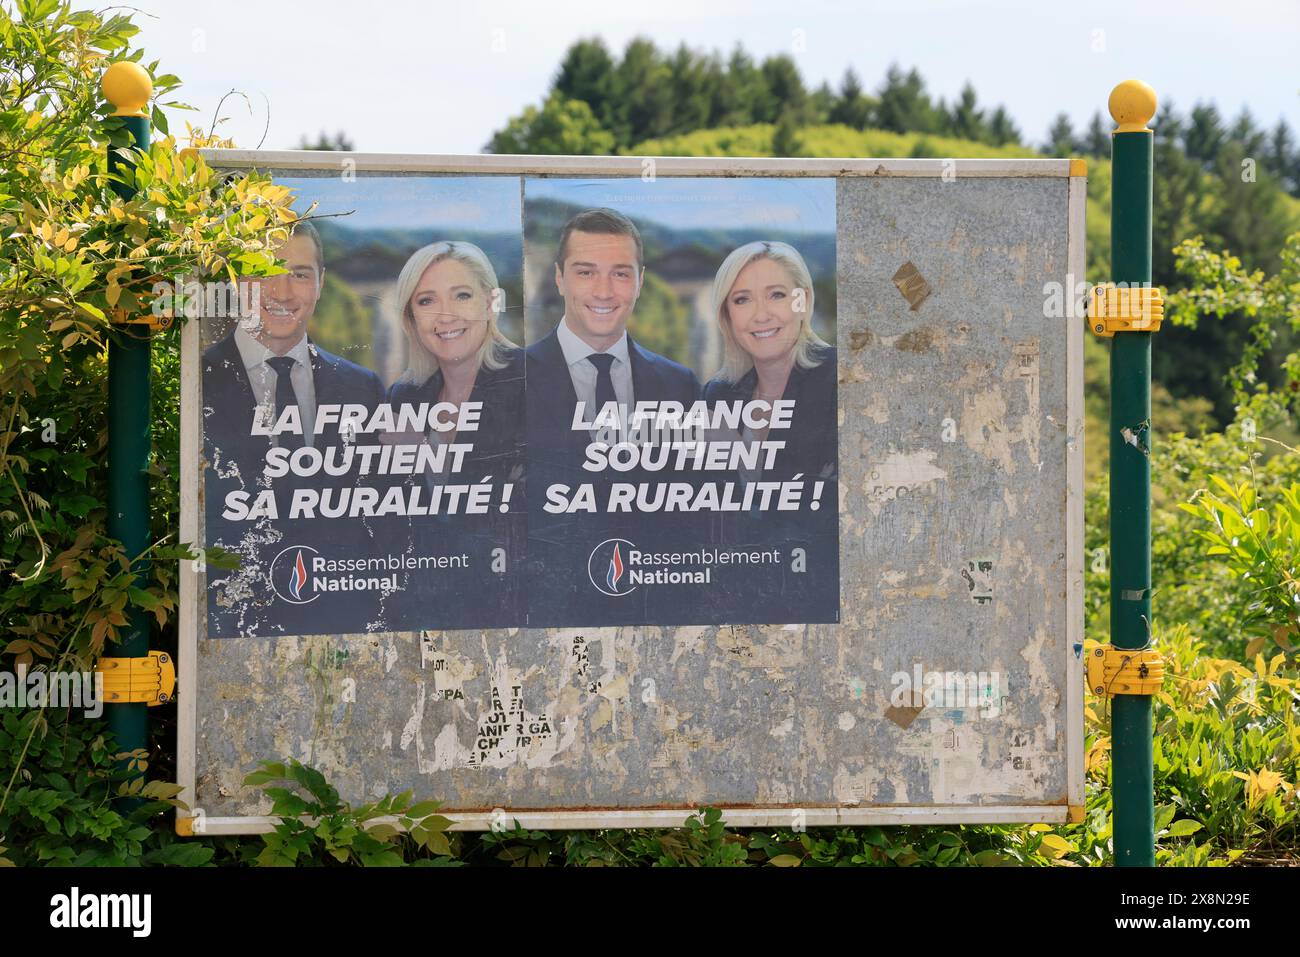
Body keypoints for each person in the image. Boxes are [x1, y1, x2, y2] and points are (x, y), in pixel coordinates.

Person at [201, 221, 386, 637]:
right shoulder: (197, 381)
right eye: (265, 270)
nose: (282, 292)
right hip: (228, 618)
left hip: (342, 619)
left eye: (300, 274)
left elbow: (380, 514)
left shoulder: (364, 388)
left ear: (320, 285)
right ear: (237, 282)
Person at [525, 208, 701, 626]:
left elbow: (693, 514)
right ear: (559, 278)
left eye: (621, 273)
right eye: (585, 272)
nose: (604, 290)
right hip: (544, 610)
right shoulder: (509, 382)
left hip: (655, 610)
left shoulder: (680, 386)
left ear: (640, 281)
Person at [383, 241, 525, 629]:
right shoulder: (405, 395)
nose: (445, 316)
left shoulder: (534, 381)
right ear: (411, 317)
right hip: (430, 602)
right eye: (426, 301)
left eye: (461, 295)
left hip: (514, 600)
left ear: (489, 303)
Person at [701, 240, 839, 621]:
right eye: (742, 300)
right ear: (727, 315)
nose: (761, 315)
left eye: (776, 295)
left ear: (803, 302)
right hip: (740, 596)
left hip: (820, 596)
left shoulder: (841, 382)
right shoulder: (719, 395)